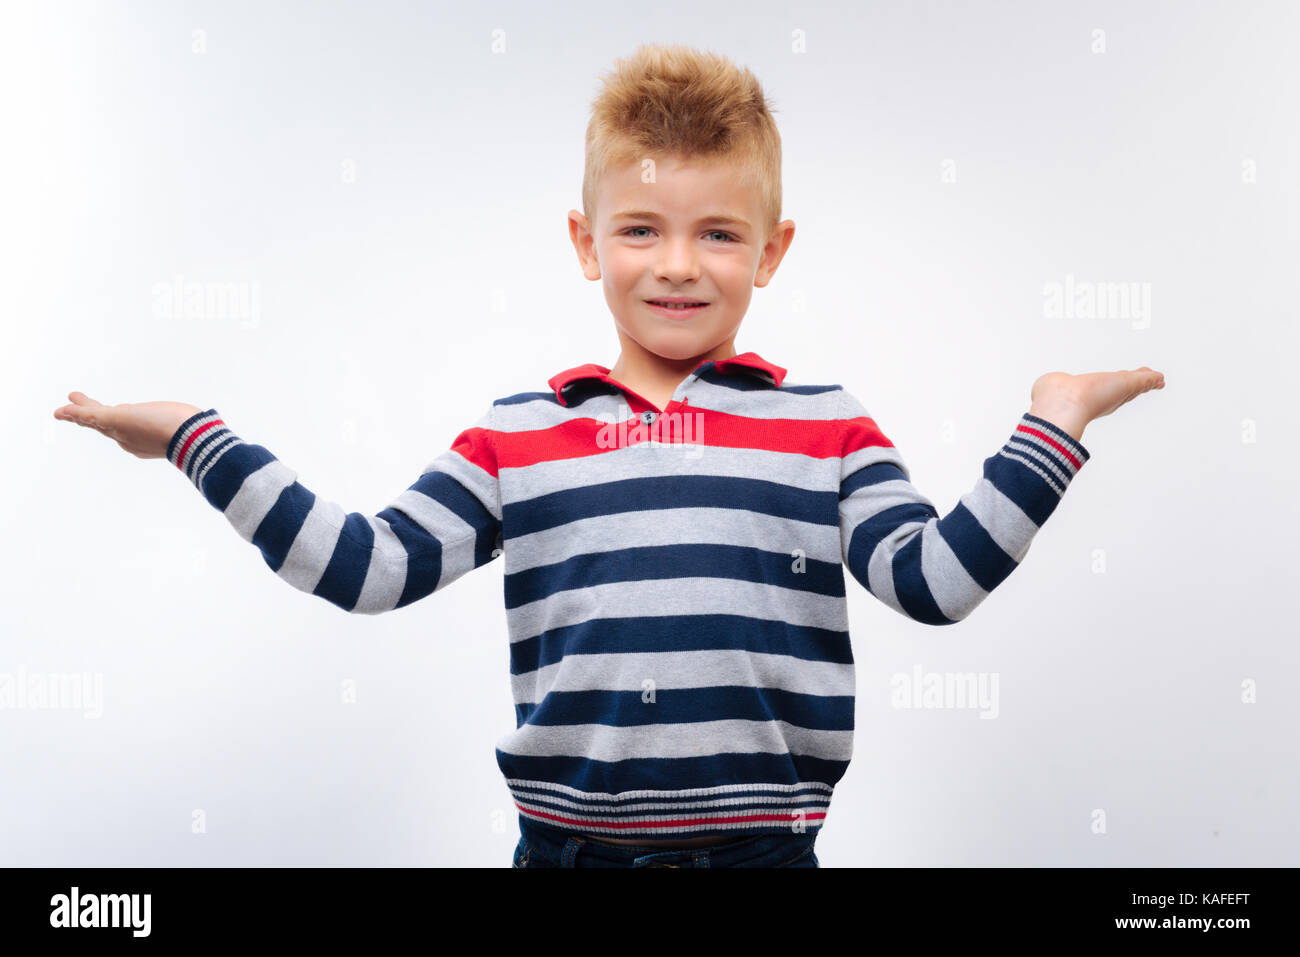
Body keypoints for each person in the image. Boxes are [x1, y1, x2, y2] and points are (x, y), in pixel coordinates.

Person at [52, 43, 1164, 868]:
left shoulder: (826, 424)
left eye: (717, 232)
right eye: (640, 228)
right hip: (566, 857)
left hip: (759, 860)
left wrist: (1050, 424)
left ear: (770, 251)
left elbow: (935, 586)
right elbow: (368, 568)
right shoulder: (516, 435)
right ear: (586, 243)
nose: (676, 265)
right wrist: (196, 438)